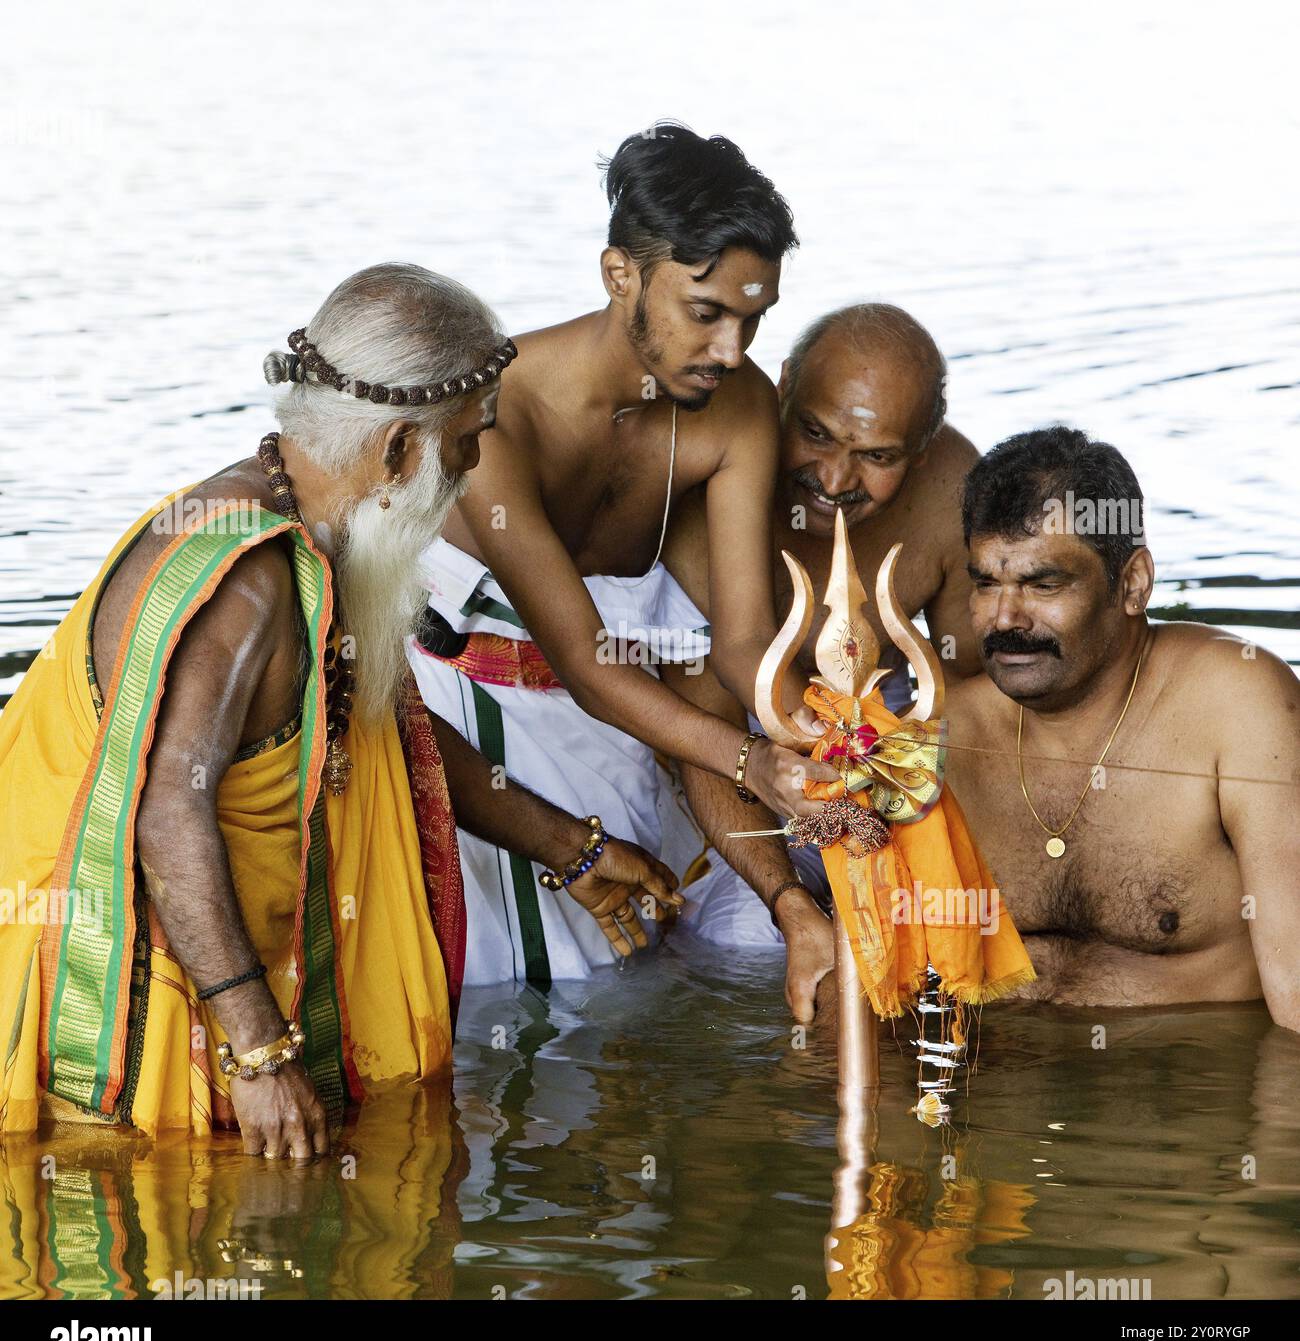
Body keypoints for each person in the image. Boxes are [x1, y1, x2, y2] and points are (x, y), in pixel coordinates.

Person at [0, 264, 679, 1152]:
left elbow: (386, 728)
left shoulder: (312, 536)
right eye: (468, 439)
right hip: (124, 1024)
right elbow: (167, 809)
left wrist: (571, 850)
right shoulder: (243, 584)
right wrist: (257, 1054)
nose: (474, 467)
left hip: (219, 994)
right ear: (398, 448)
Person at [408, 123, 836, 987]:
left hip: (633, 732)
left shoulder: (741, 406)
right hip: (470, 731)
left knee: (639, 999)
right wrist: (756, 762)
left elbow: (745, 644)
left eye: (754, 321)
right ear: (620, 275)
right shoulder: (499, 410)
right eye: (706, 314)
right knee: (490, 996)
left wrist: (832, 744)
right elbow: (584, 660)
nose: (732, 352)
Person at [657, 304, 981, 1015]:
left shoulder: (956, 485)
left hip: (892, 757)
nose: (834, 479)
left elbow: (975, 696)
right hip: (741, 767)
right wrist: (788, 902)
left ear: (921, 453)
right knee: (741, 949)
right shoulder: (711, 482)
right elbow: (701, 730)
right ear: (781, 395)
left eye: (878, 456)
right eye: (815, 434)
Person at [944, 426, 1300, 1028]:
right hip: (1002, 1096)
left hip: (1191, 1089)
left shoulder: (1240, 704)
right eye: (986, 582)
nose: (1004, 618)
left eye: (1044, 583)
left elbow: (1296, 990)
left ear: (1132, 584)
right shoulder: (945, 731)